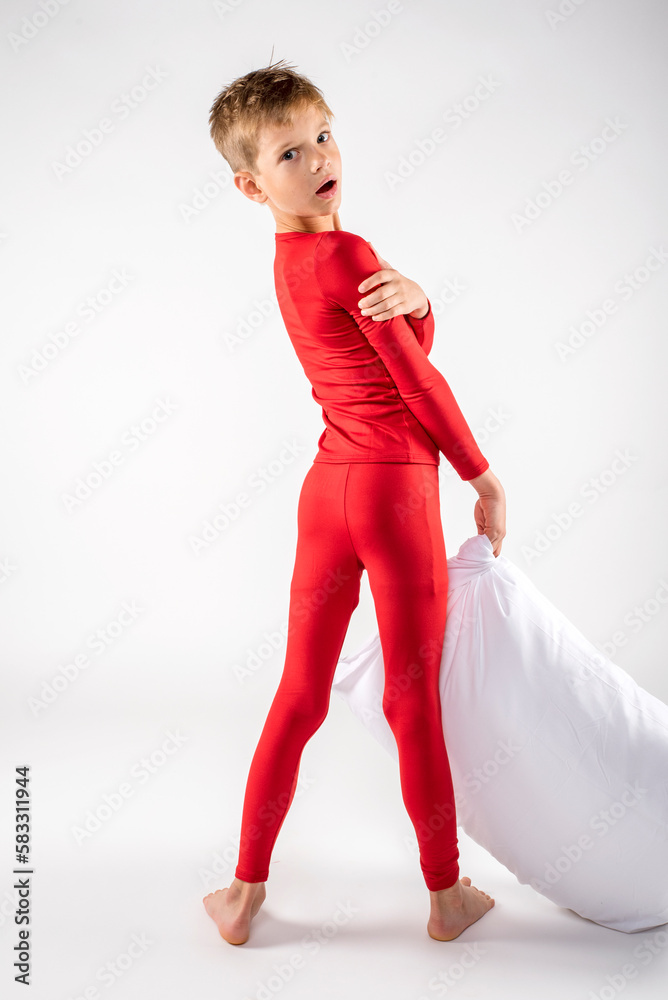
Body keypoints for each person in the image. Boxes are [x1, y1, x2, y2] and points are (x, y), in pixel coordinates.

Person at [203, 58, 506, 945]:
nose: (320, 156)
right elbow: (413, 383)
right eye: (290, 152)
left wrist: (419, 300)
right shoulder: (348, 251)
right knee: (414, 702)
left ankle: (243, 892)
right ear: (251, 186)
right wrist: (479, 471)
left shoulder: (296, 256)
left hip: (326, 492)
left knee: (300, 691)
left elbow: (371, 356)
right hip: (395, 493)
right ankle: (446, 897)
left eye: (324, 135)